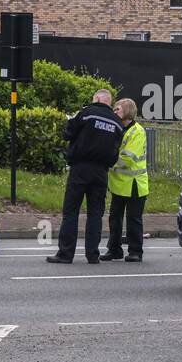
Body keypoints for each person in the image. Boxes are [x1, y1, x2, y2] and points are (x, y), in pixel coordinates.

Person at [47, 88, 123, 265]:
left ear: (96, 98)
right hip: (101, 172)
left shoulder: (87, 113)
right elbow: (115, 150)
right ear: (109, 102)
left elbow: (68, 132)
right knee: (95, 214)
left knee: (71, 211)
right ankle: (93, 255)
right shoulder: (117, 123)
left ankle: (66, 254)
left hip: (80, 168)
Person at [103, 98, 148, 263]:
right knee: (114, 218)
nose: (114, 111)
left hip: (134, 184)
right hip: (118, 184)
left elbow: (128, 158)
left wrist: (108, 162)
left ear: (128, 111)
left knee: (133, 219)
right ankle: (114, 249)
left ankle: (135, 251)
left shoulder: (137, 131)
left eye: (118, 109)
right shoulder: (116, 128)